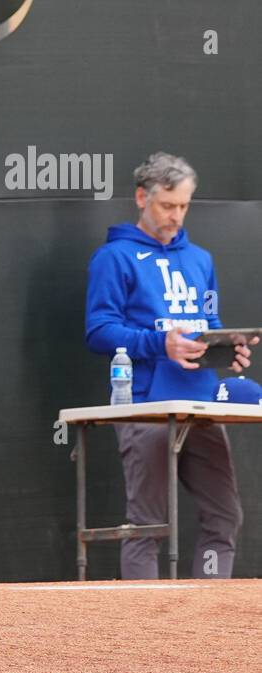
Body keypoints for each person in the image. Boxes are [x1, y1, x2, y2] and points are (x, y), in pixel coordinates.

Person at [85, 151, 255, 579]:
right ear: (142, 197)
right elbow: (99, 330)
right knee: (147, 526)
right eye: (167, 205)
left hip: (201, 404)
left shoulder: (200, 259)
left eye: (183, 206)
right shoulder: (114, 257)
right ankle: (144, 635)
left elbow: (209, 322)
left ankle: (202, 620)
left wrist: (227, 348)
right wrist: (161, 344)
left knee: (224, 516)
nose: (176, 216)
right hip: (144, 405)